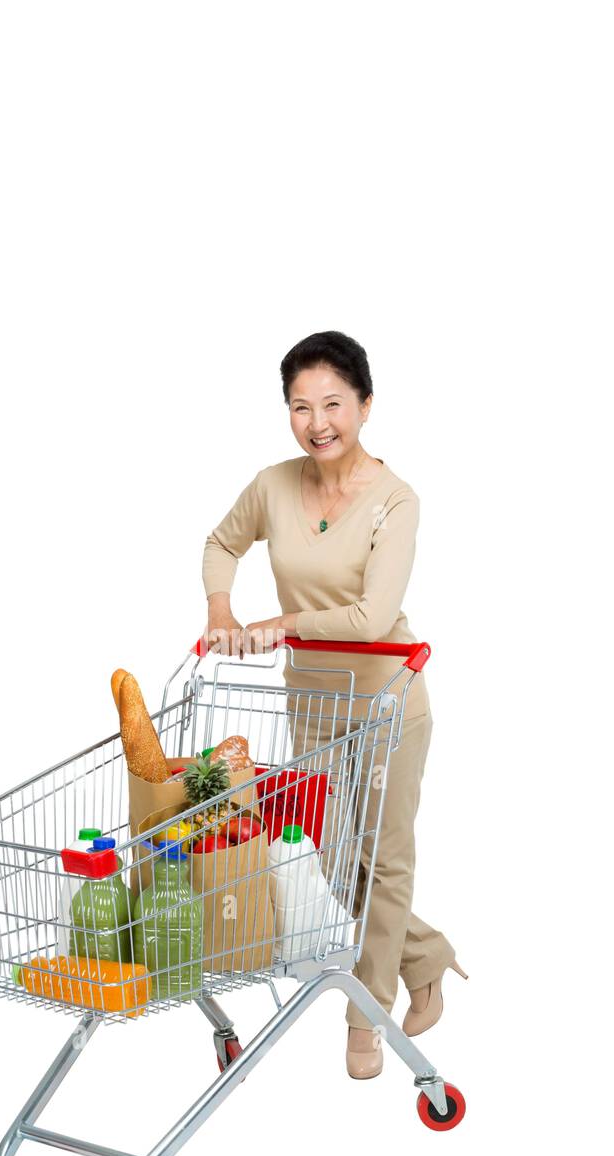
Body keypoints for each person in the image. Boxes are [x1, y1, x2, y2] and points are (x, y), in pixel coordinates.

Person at [201, 330, 467, 1079]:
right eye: (300, 406)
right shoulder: (274, 485)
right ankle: (425, 955)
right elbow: (222, 543)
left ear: (366, 406)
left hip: (387, 703)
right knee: (330, 853)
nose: (317, 422)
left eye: (333, 405)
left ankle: (364, 1017)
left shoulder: (395, 501)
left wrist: (279, 624)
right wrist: (222, 609)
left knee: (382, 862)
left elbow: (373, 617)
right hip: (312, 701)